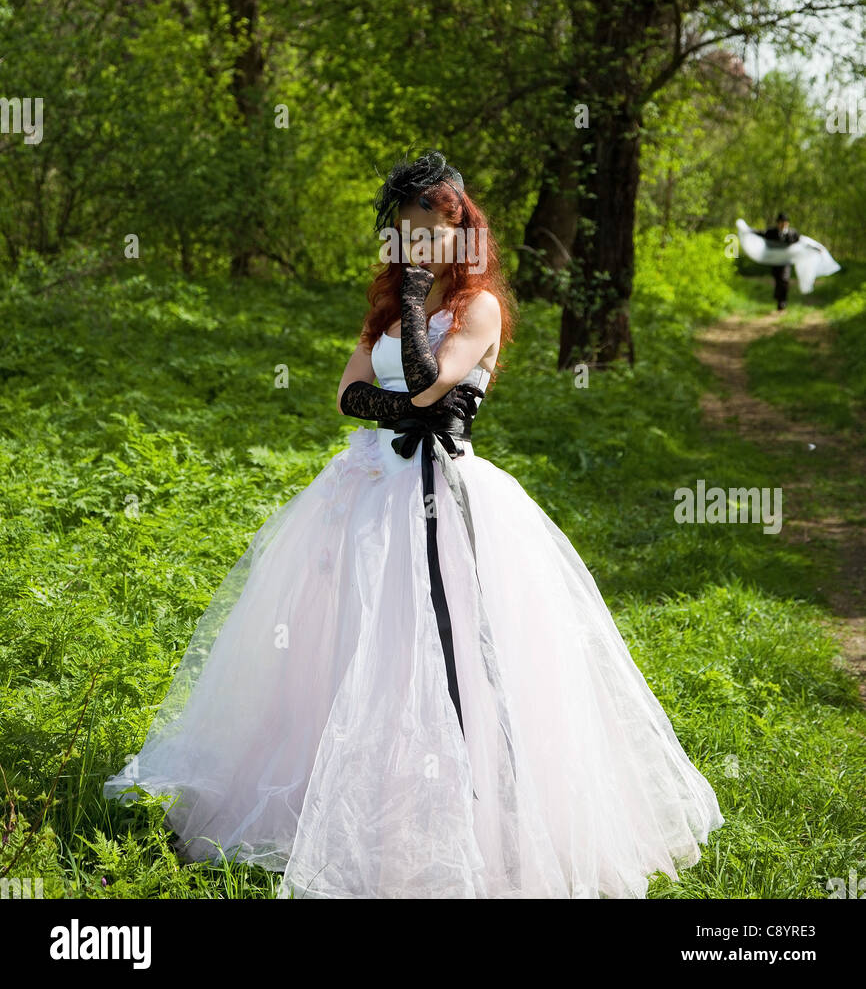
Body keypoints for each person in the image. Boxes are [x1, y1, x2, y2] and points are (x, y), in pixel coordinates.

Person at [103, 148, 724, 898]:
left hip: (446, 499)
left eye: (433, 232)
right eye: (407, 234)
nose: (418, 246)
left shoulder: (480, 307)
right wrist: (403, 374)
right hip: (366, 490)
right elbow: (347, 396)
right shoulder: (386, 306)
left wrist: (415, 339)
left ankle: (470, 823)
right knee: (351, 646)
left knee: (446, 647)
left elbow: (430, 383)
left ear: (463, 232)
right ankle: (343, 813)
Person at [762, 211, 800, 310]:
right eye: (781, 222)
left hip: (786, 261)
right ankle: (779, 299)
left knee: (785, 280)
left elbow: (802, 243)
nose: (783, 224)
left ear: (788, 223)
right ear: (777, 223)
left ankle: (783, 301)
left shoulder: (793, 233)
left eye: (785, 222)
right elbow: (760, 234)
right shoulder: (771, 232)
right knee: (778, 281)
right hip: (775, 262)